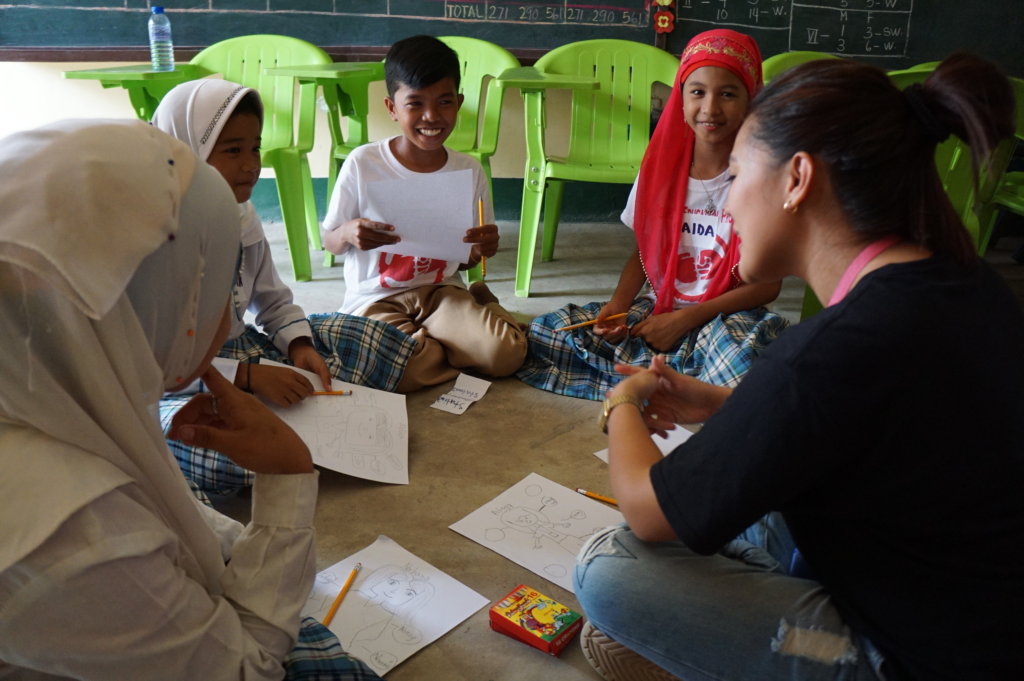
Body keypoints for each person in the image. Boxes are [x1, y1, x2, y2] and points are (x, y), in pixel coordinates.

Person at [573, 54, 1023, 681]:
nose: (728, 204)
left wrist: (622, 404)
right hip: (974, 604)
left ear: (796, 179)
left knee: (609, 566)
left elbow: (649, 511)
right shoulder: (964, 282)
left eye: (736, 174)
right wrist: (727, 407)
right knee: (753, 493)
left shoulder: (828, 352)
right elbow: (870, 430)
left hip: (912, 655)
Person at [0, 119, 382, 679]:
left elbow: (171, 525)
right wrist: (289, 478)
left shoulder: (52, 377)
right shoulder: (74, 539)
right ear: (149, 304)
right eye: (202, 288)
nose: (226, 317)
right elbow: (250, 670)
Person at [152, 79, 416, 495]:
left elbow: (273, 301)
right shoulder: (158, 238)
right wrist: (246, 376)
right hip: (186, 379)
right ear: (187, 153)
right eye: (233, 151)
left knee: (353, 335)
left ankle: (288, 440)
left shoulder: (241, 216)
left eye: (255, 148)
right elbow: (152, 363)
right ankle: (281, 446)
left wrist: (299, 347)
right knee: (188, 437)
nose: (251, 165)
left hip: (244, 349)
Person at [517, 29, 788, 401]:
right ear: (680, 98)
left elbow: (768, 286)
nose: (710, 108)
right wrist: (618, 306)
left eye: (727, 93)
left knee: (752, 360)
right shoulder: (659, 171)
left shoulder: (764, 178)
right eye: (697, 92)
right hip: (658, 307)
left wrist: (685, 320)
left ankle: (659, 380)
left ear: (751, 100)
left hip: (726, 318)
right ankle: (679, 384)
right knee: (547, 333)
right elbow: (643, 254)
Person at [322, 35, 527, 393]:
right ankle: (447, 345)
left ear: (458, 103)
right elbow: (330, 241)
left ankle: (476, 309)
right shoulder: (363, 163)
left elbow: (464, 263)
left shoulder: (468, 170)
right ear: (391, 107)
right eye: (414, 104)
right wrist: (348, 233)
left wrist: (480, 251)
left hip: (440, 292)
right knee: (388, 370)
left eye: (444, 102)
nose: (431, 117)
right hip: (375, 298)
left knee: (505, 355)